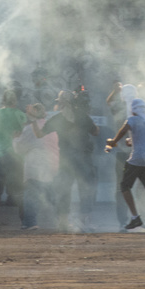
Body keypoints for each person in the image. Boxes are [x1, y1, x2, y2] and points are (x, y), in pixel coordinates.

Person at [32, 89, 98, 232]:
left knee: (64, 190)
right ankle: (85, 222)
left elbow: (39, 134)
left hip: (66, 160)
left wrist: (33, 120)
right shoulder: (82, 116)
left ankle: (63, 222)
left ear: (61, 104)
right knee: (85, 189)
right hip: (84, 159)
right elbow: (96, 132)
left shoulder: (57, 119)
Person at [106, 97, 145, 233]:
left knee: (124, 186)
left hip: (137, 159)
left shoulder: (132, 120)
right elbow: (143, 139)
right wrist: (131, 141)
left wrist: (113, 141)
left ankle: (135, 217)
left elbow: (123, 130)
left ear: (133, 109)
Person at [0, 89, 27, 230]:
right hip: (16, 155)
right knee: (19, 190)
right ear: (15, 101)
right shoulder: (20, 115)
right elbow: (25, 135)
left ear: (2, 101)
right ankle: (24, 221)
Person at [13, 102, 59, 230]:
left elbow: (20, 148)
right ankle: (60, 220)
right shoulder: (51, 127)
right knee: (52, 194)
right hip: (52, 164)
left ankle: (30, 222)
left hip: (35, 166)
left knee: (31, 195)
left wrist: (15, 139)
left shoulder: (29, 129)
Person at [105, 82, 137, 227]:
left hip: (128, 152)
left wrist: (115, 90)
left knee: (123, 187)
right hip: (134, 152)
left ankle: (125, 220)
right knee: (137, 186)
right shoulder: (139, 109)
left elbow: (109, 102)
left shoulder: (125, 108)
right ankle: (131, 218)